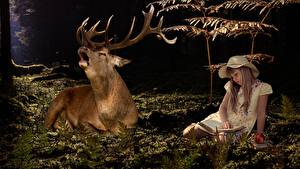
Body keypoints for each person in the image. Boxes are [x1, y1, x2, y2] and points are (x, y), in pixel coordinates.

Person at [183, 55, 273, 143]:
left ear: (245, 70)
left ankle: (211, 136)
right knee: (187, 133)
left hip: (239, 127)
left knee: (223, 140)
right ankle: (208, 133)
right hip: (222, 120)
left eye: (236, 74)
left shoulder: (262, 88)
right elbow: (222, 108)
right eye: (232, 77)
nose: (234, 79)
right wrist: (225, 121)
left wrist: (259, 134)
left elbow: (261, 113)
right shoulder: (233, 87)